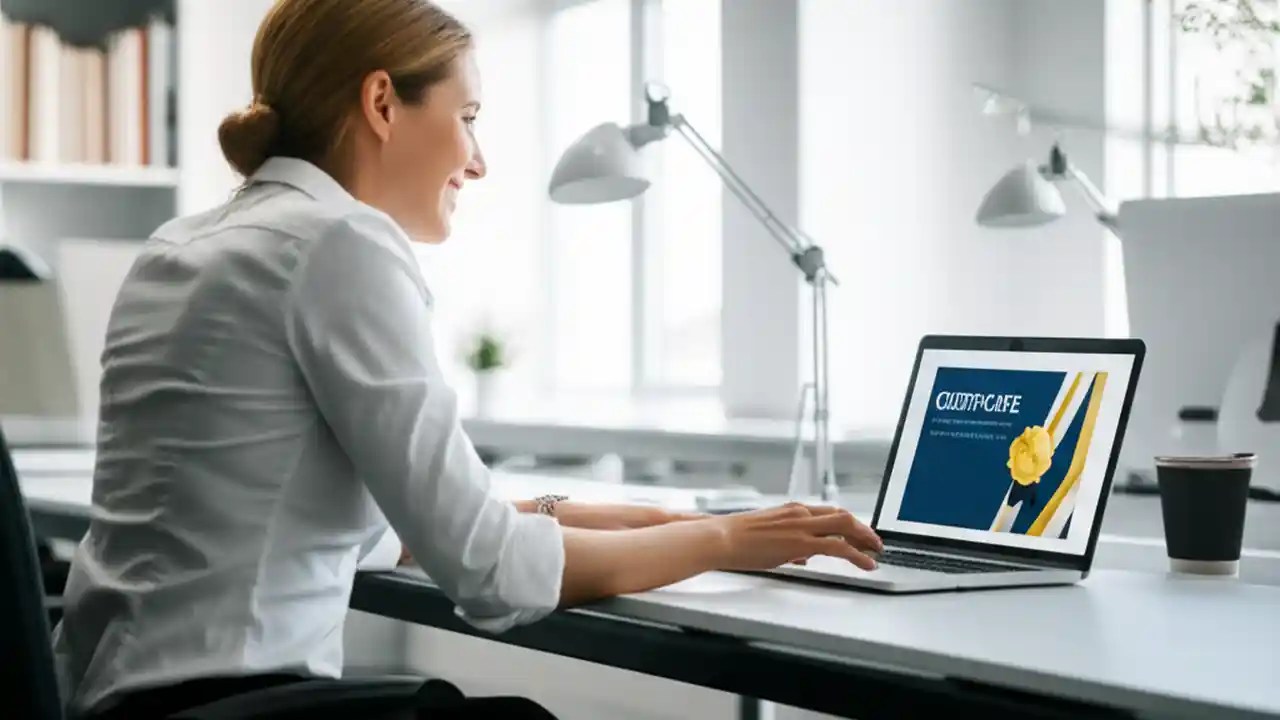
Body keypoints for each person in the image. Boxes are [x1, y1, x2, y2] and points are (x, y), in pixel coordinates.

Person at [50, 1, 883, 717]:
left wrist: (652, 519)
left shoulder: (182, 244)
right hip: (233, 708)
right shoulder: (339, 242)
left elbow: (368, 525)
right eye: (470, 117)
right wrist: (725, 543)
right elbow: (493, 573)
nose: (479, 161)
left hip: (113, 698)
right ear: (382, 100)